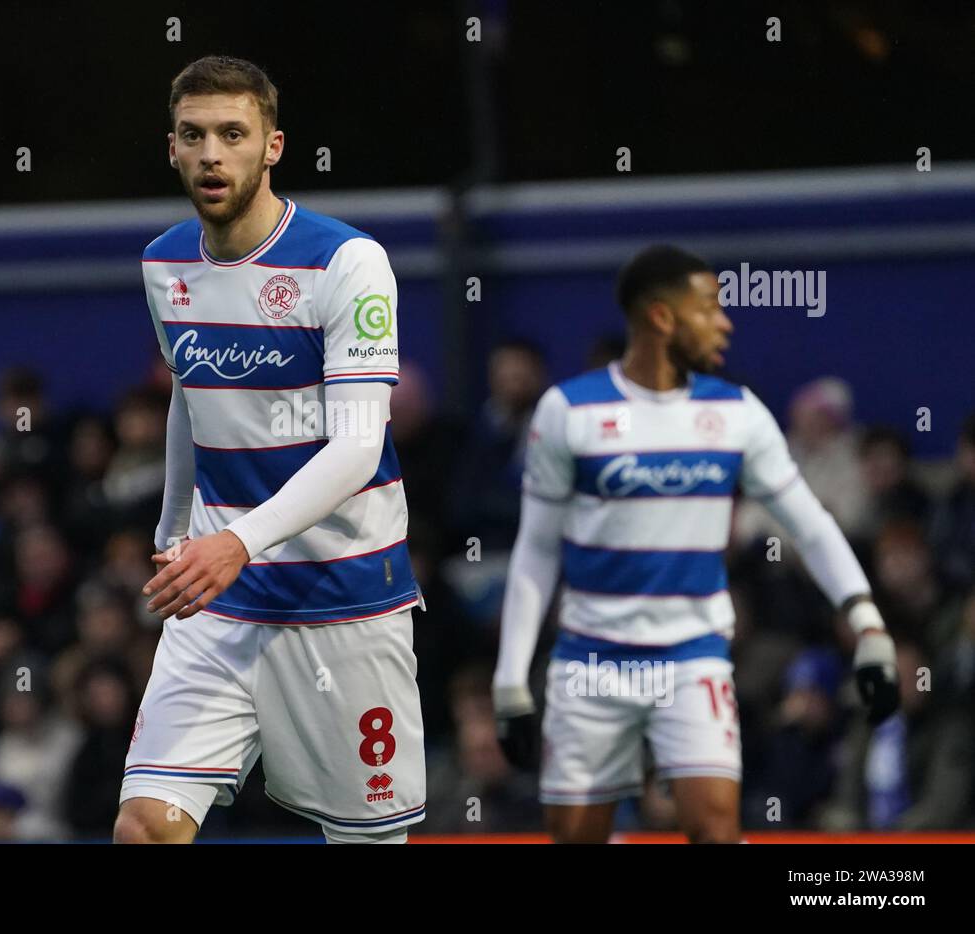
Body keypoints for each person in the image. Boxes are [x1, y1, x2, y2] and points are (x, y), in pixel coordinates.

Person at [114, 56, 425, 845]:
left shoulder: (348, 263)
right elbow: (192, 393)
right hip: (219, 602)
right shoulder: (163, 264)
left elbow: (357, 449)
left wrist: (234, 542)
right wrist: (172, 534)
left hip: (342, 597)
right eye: (194, 136)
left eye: (232, 134)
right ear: (172, 149)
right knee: (146, 828)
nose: (212, 153)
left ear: (273, 146)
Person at [491, 244, 901, 843]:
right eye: (709, 307)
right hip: (589, 664)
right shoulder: (568, 411)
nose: (726, 321)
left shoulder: (737, 413)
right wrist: (510, 679)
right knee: (575, 838)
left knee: (716, 832)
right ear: (661, 317)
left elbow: (810, 525)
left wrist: (867, 622)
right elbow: (537, 550)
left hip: (693, 658)